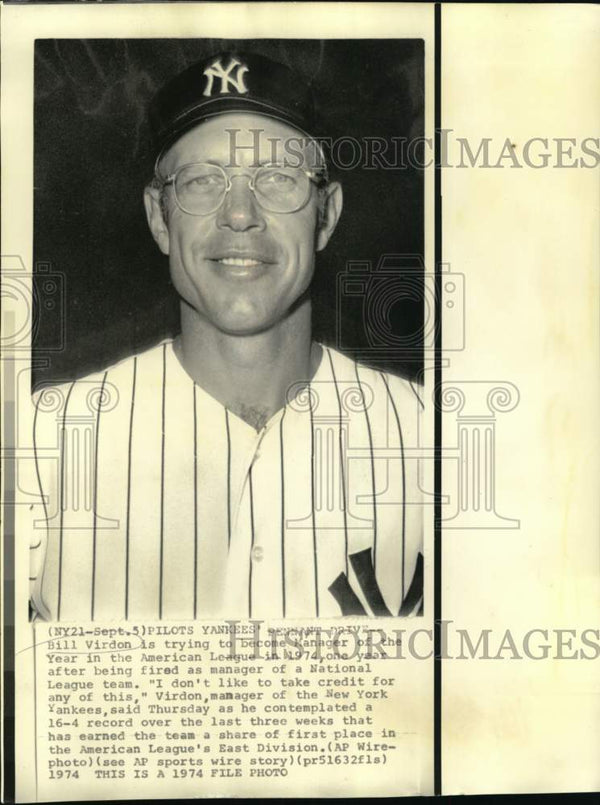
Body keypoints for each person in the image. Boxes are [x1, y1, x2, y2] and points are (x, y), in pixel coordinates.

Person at [30, 51, 424, 621]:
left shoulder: (427, 436)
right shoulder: (45, 441)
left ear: (327, 214)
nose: (240, 215)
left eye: (277, 179)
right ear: (160, 218)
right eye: (201, 182)